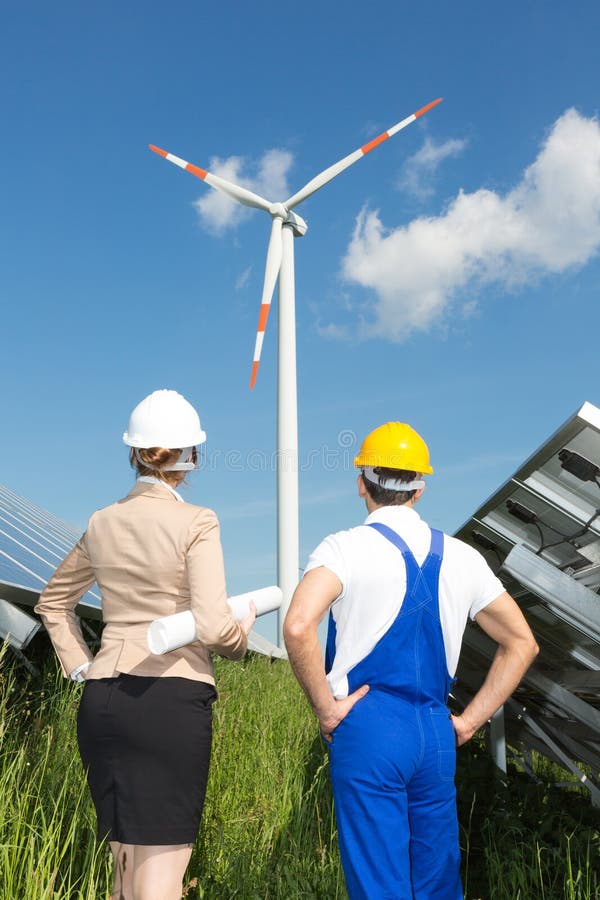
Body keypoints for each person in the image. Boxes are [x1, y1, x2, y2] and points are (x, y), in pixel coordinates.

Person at [284, 422, 539, 900]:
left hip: (369, 725)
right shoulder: (464, 558)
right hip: (435, 731)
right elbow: (522, 642)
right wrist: (467, 723)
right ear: (420, 487)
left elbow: (298, 626)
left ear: (362, 481)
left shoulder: (343, 548)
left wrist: (325, 708)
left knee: (381, 886)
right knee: (438, 883)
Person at [35, 389, 255, 900]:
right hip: (169, 702)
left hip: (103, 700)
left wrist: (81, 668)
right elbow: (213, 624)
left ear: (134, 452)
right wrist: (238, 638)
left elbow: (53, 603)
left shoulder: (100, 521)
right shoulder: (197, 521)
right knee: (160, 877)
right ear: (191, 457)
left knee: (125, 873)